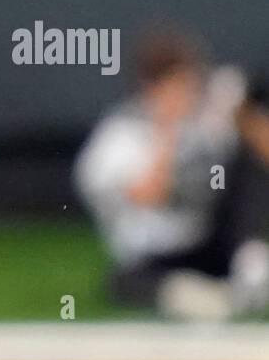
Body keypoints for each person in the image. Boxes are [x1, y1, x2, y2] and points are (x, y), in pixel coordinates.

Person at [74, 27, 269, 320]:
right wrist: (166, 131)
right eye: (177, 85)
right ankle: (190, 296)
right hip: (154, 257)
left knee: (245, 165)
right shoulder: (117, 137)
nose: (187, 96)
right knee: (123, 280)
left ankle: (250, 266)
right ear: (150, 87)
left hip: (208, 247)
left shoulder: (207, 122)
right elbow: (150, 195)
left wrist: (244, 114)